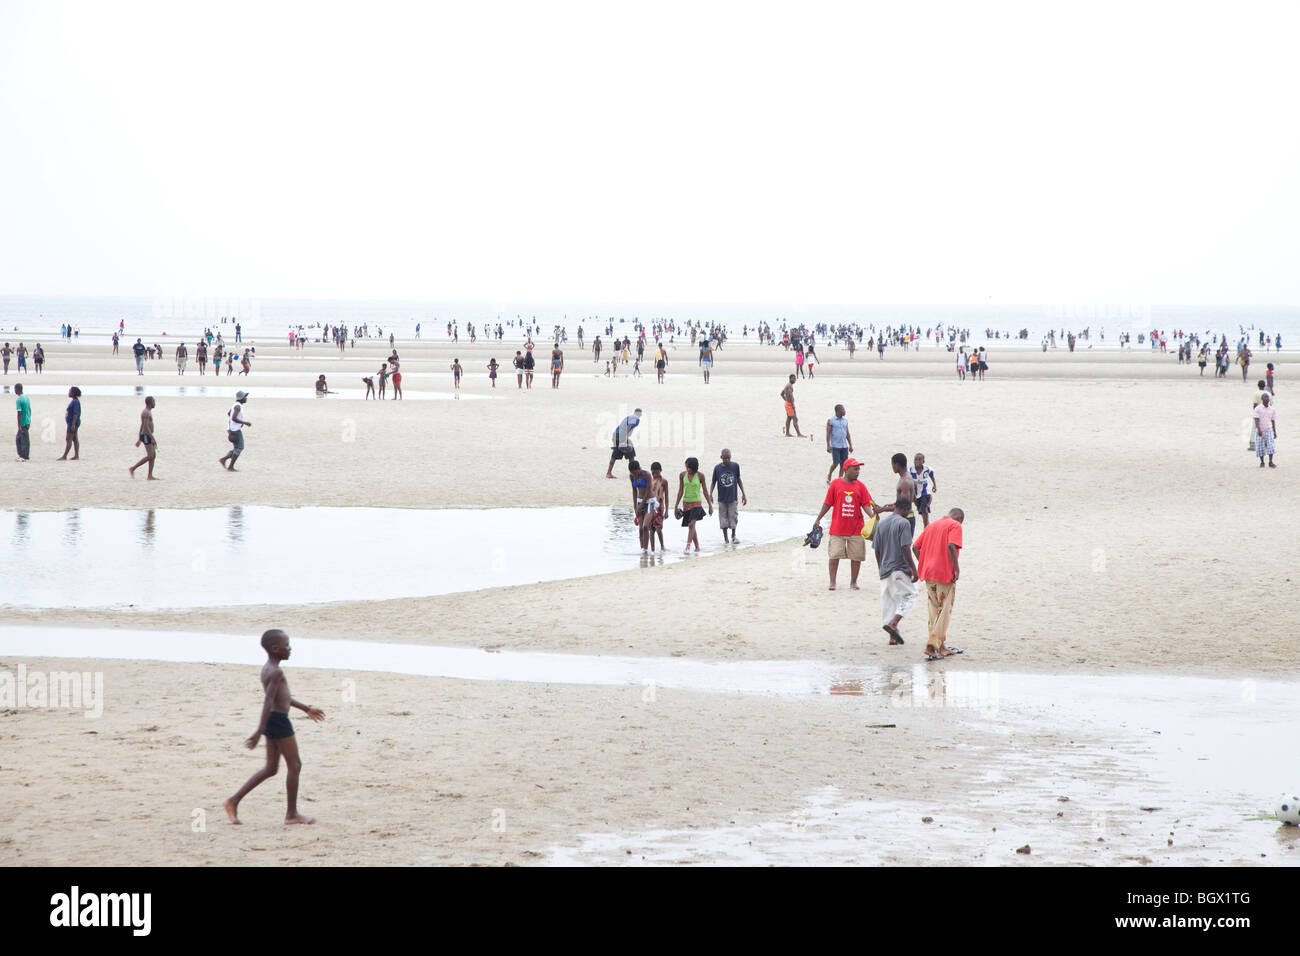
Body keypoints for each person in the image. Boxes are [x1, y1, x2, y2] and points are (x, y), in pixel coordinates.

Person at [223, 629, 325, 826]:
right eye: (287, 645)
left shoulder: (269, 668)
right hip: (278, 721)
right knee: (295, 765)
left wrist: (306, 708)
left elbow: (282, 697)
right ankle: (292, 814)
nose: (290, 648)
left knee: (271, 768)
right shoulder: (275, 671)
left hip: (273, 720)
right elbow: (268, 700)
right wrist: (258, 732)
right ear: (275, 648)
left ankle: (233, 801)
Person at [811, 458, 875, 590]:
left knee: (856, 557)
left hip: (856, 528)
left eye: (859, 469)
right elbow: (828, 503)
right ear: (846, 470)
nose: (858, 472)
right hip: (837, 527)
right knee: (834, 556)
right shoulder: (835, 484)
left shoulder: (861, 486)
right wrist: (818, 519)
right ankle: (832, 582)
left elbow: (866, 505)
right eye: (855, 469)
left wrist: (874, 518)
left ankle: (853, 582)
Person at [912, 507, 965, 660]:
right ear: (959, 519)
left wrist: (924, 563)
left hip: (929, 573)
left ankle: (940, 647)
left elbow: (915, 547)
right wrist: (956, 569)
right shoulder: (955, 525)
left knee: (933, 609)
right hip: (944, 573)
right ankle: (933, 644)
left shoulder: (931, 525)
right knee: (945, 609)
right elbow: (951, 545)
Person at [874, 495, 918, 645]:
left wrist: (880, 567)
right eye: (908, 511)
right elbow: (905, 547)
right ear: (905, 509)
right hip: (899, 567)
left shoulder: (882, 523)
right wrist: (913, 568)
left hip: (885, 569)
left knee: (890, 601)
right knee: (911, 594)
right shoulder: (903, 523)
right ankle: (894, 623)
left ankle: (892, 637)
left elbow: (876, 548)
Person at [674, 456, 713, 553]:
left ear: (694, 468)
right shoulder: (682, 475)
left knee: (691, 524)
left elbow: (705, 491)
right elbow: (680, 491)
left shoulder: (700, 476)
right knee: (691, 526)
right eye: (686, 467)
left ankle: (687, 546)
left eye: (689, 467)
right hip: (686, 503)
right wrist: (675, 506)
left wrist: (710, 505)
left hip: (696, 503)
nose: (687, 469)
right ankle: (697, 547)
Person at [709, 448, 747, 543]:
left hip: (733, 497)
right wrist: (710, 494)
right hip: (721, 498)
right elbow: (713, 482)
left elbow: (738, 479)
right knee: (723, 518)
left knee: (733, 516)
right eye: (725, 458)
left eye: (728, 458)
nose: (727, 460)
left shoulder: (735, 466)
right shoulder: (717, 468)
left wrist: (743, 493)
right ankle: (726, 539)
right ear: (721, 457)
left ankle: (733, 536)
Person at [219, 391, 252, 471]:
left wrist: (237, 422)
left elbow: (229, 413)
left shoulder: (236, 405)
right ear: (241, 398)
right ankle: (230, 466)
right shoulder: (238, 406)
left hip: (231, 430)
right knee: (240, 447)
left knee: (237, 448)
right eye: (245, 397)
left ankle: (224, 460)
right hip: (235, 431)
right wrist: (244, 423)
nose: (246, 398)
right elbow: (233, 417)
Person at [128, 396, 158, 479]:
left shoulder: (147, 412)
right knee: (150, 455)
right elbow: (145, 427)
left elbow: (142, 426)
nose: (155, 403)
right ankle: (133, 468)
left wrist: (139, 438)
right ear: (150, 402)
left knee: (153, 455)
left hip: (146, 435)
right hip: (146, 435)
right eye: (154, 401)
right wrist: (151, 438)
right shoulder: (146, 413)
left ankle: (150, 475)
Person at [606, 408, 642, 478]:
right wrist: (626, 438)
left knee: (614, 455)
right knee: (631, 455)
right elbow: (629, 427)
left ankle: (608, 473)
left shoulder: (629, 417)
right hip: (622, 437)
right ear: (640, 413)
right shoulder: (636, 419)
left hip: (616, 435)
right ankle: (633, 473)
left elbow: (623, 427)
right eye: (641, 414)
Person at [629, 459, 653, 552]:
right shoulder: (631, 476)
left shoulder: (646, 475)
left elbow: (648, 491)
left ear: (638, 469)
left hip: (650, 501)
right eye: (632, 473)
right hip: (639, 502)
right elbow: (634, 491)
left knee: (645, 526)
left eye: (635, 472)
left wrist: (641, 506)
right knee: (640, 528)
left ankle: (646, 549)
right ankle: (642, 550)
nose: (634, 474)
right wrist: (635, 507)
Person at [826, 404, 852, 483]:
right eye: (843, 410)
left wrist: (850, 445)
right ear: (838, 411)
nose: (844, 411)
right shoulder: (831, 420)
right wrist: (828, 445)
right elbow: (828, 433)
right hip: (835, 445)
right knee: (836, 463)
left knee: (843, 464)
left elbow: (847, 433)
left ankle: (840, 479)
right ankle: (829, 474)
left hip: (844, 445)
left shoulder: (845, 420)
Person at [909, 453, 937, 528]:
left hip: (925, 492)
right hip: (916, 493)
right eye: (915, 459)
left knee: (924, 510)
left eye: (919, 459)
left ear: (923, 461)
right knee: (920, 510)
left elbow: (932, 476)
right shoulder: (911, 470)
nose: (917, 461)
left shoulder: (928, 469)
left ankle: (927, 527)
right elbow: (908, 480)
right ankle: (927, 524)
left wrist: (934, 485)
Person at [649, 461, 668, 552]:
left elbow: (667, 496)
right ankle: (652, 549)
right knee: (651, 529)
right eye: (653, 472)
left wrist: (667, 510)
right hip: (650, 507)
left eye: (657, 472)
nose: (655, 474)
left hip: (659, 507)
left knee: (658, 528)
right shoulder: (650, 480)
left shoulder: (664, 481)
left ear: (660, 471)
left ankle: (662, 546)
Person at [58, 386, 81, 460]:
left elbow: (76, 413)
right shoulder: (74, 401)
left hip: (72, 423)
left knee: (69, 439)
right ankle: (76, 456)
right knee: (74, 439)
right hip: (72, 423)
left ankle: (64, 456)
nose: (69, 393)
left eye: (70, 391)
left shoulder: (75, 402)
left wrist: (73, 424)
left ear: (73, 393)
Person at [1255, 391, 1277, 468]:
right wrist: (1259, 430)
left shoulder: (1272, 409)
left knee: (1271, 447)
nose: (1267, 399)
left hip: (1269, 430)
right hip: (1261, 430)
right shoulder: (1258, 408)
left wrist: (1274, 431)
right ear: (1262, 399)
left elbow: (1273, 421)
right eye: (1265, 397)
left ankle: (1271, 461)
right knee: (1260, 447)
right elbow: (1256, 420)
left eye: (1267, 397)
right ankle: (1262, 462)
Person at [14, 382, 31, 461]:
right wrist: (29, 420)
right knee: (21, 438)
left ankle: (24, 456)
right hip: (27, 421)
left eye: (15, 389)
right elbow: (29, 410)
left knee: (22, 439)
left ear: (18, 389)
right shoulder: (26, 398)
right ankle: (23, 454)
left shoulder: (19, 400)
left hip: (23, 422)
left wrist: (19, 425)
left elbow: (19, 413)